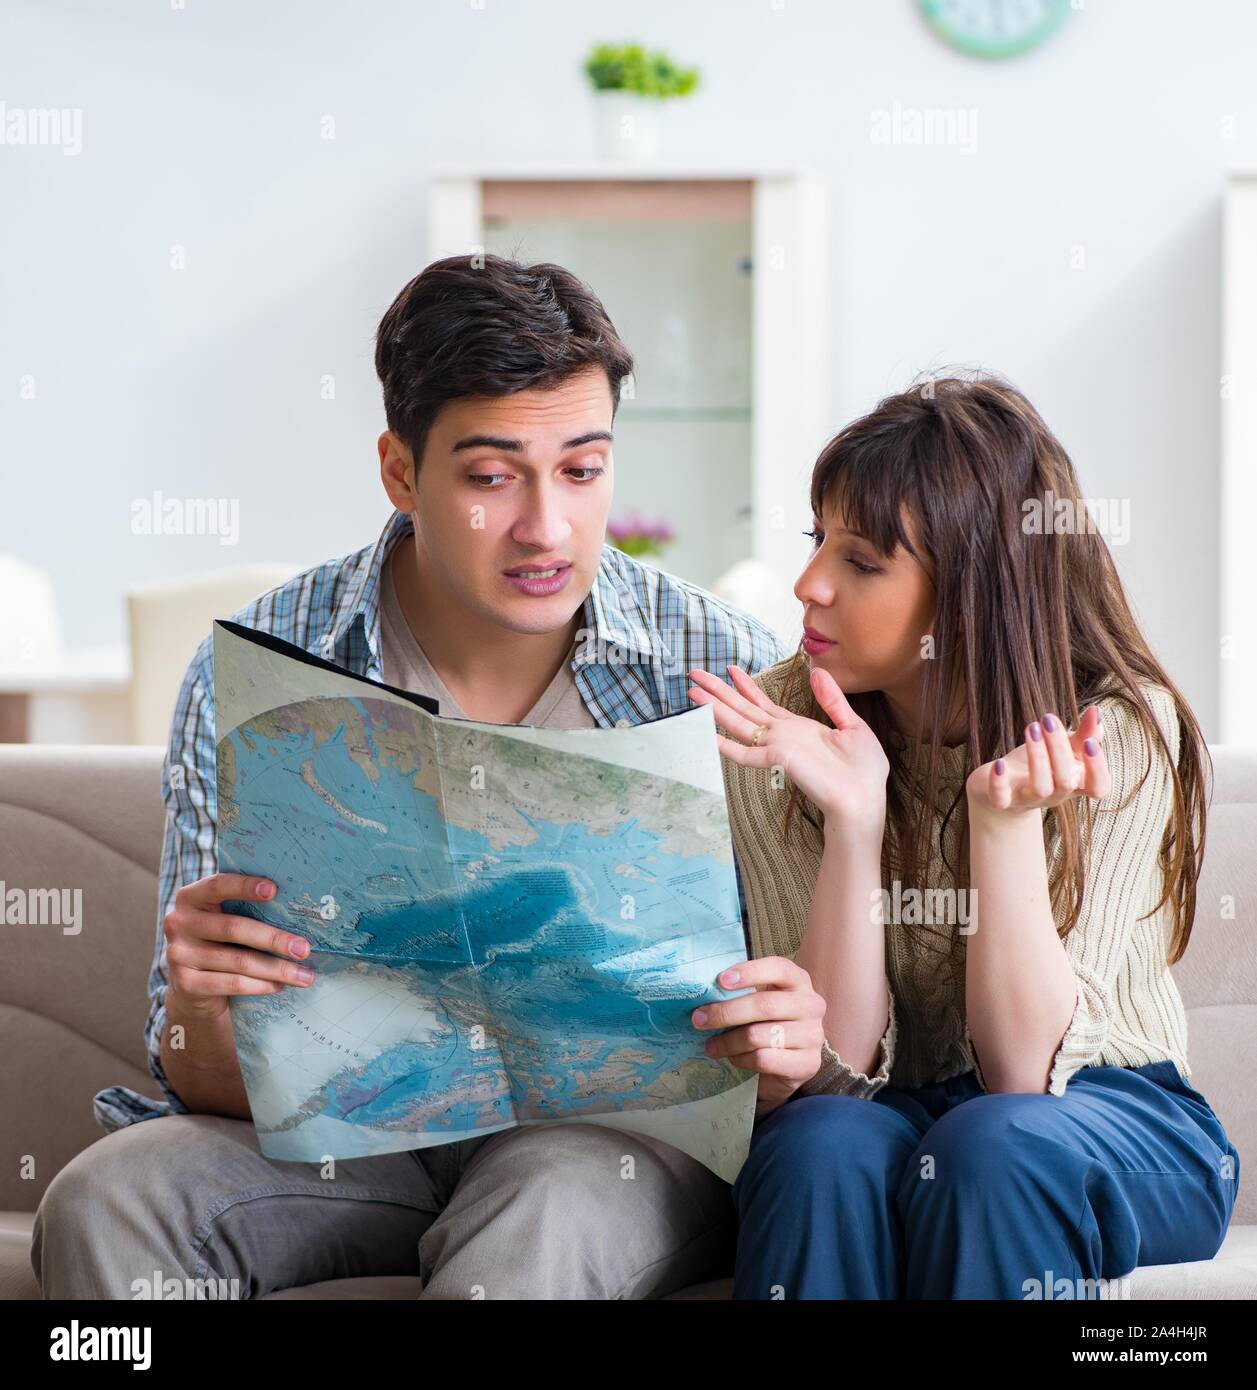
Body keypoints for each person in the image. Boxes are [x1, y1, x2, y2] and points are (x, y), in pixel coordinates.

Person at [31, 253, 789, 1300]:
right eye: (490, 476)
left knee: (544, 1216)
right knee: (107, 1197)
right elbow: (196, 1071)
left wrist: (788, 1031)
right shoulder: (260, 671)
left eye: (581, 469)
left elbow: (812, 1037)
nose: (546, 526)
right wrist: (204, 1003)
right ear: (400, 471)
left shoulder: (717, 666)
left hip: (598, 1148)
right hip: (347, 1145)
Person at [686, 373, 1242, 1299]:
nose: (808, 583)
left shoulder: (1117, 728)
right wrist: (855, 819)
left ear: (971, 592)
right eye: (815, 538)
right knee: (816, 1147)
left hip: (1104, 1109)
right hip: (890, 1108)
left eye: (860, 562)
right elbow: (837, 1072)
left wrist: (1002, 824)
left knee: (990, 1145)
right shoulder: (782, 721)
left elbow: (1024, 1074)